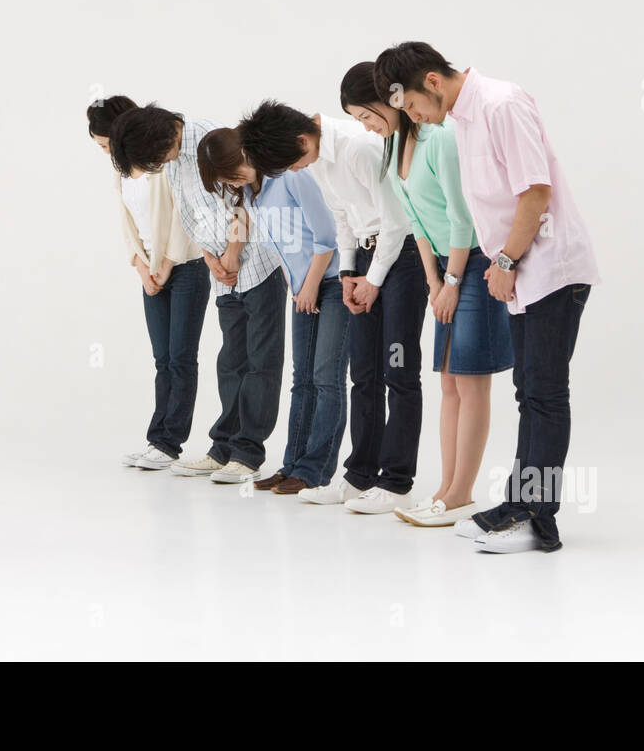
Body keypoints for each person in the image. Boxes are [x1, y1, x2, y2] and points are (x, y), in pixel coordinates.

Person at [373, 42, 600, 553]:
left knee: (543, 394)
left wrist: (504, 261)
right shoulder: (464, 119)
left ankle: (539, 520)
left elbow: (535, 191)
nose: (412, 118)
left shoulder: (501, 103)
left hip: (547, 269)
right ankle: (520, 505)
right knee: (530, 392)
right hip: (521, 274)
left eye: (411, 106)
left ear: (432, 81)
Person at [340, 62, 513, 529]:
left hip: (474, 261)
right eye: (358, 120)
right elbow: (416, 220)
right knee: (449, 382)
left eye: (369, 114)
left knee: (471, 380)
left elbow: (461, 218)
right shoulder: (394, 148)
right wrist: (434, 282)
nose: (368, 125)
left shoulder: (440, 140)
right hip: (442, 269)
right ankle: (445, 490)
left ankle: (460, 494)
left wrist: (453, 282)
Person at [237, 101, 427, 514]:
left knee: (400, 374)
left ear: (302, 139)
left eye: (292, 163)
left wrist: (373, 281)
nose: (294, 172)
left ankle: (396, 483)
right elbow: (341, 218)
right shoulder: (315, 158)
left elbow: (396, 221)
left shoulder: (359, 147)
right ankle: (360, 477)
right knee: (364, 375)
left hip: (403, 256)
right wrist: (346, 274)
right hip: (361, 256)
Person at [109, 104, 286, 484]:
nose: (159, 165)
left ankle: (247, 454)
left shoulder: (212, 136)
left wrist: (233, 253)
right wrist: (211, 257)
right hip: (223, 269)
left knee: (260, 363)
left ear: (164, 138)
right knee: (231, 362)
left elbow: (246, 198)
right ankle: (222, 449)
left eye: (155, 158)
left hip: (257, 263)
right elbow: (189, 214)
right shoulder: (171, 160)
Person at [197, 124, 348, 495]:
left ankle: (316, 471)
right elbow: (281, 248)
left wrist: (310, 285)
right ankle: (292, 465)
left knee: (327, 379)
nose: (233, 183)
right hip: (301, 290)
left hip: (331, 283)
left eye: (234, 173)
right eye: (227, 180)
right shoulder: (252, 196)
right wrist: (297, 287)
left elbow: (327, 237)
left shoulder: (291, 177)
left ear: (246, 154)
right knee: (303, 381)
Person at [87, 95, 210, 471]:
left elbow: (182, 214)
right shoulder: (122, 169)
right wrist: (143, 268)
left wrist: (166, 264)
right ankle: (157, 439)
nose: (107, 153)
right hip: (152, 273)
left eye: (107, 144)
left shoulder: (160, 161)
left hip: (186, 265)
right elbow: (126, 223)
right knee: (162, 360)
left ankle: (170, 443)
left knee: (180, 357)